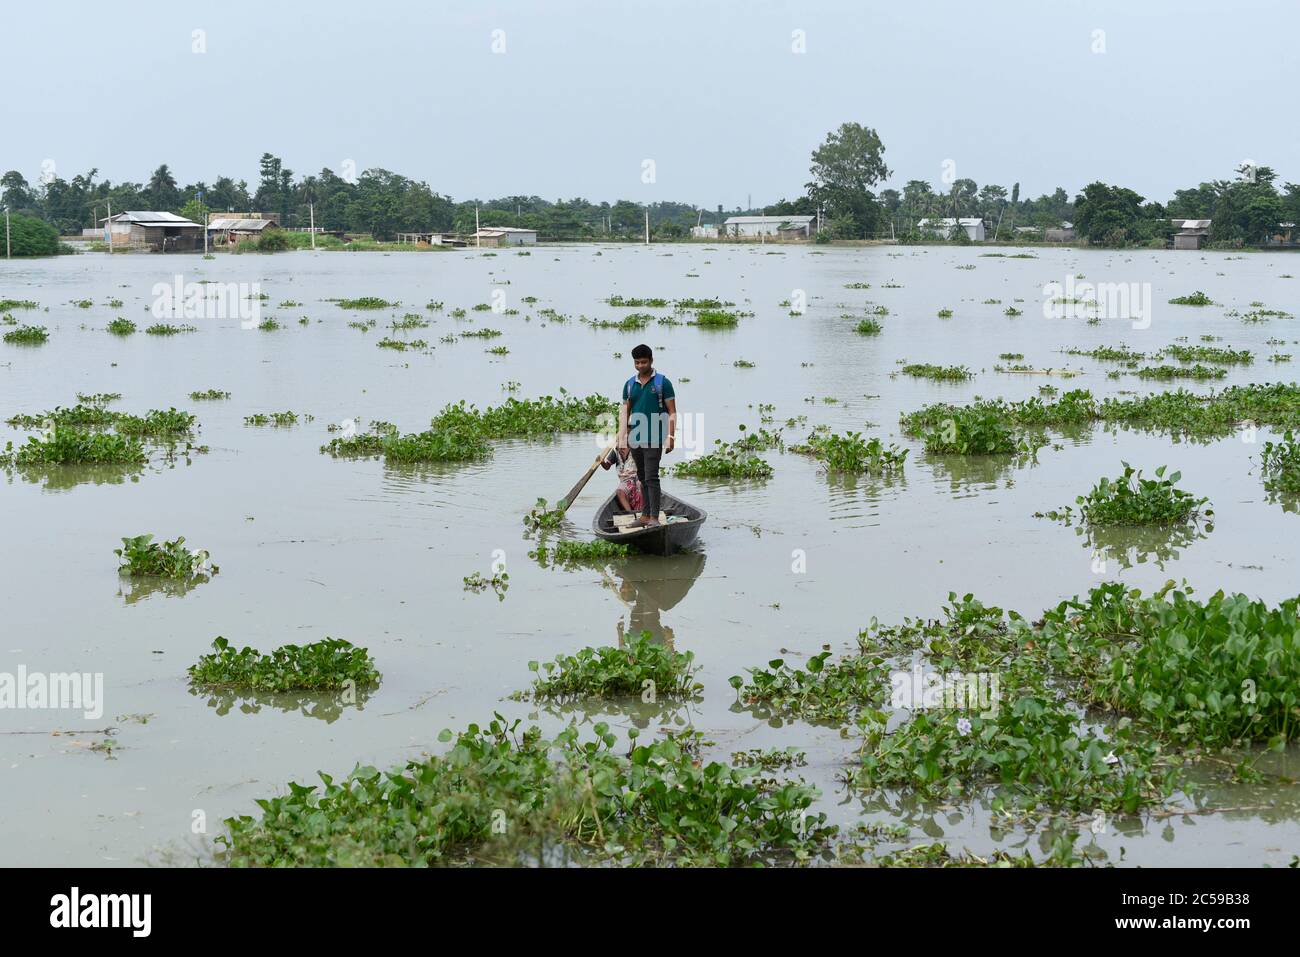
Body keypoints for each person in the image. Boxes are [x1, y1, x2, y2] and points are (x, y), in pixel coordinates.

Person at [617, 343, 676, 527]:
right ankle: (644, 515)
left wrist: (671, 437)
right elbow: (625, 412)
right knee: (642, 477)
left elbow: (672, 411)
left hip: (655, 436)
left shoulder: (662, 383)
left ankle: (654, 518)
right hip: (636, 436)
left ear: (651, 361)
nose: (641, 366)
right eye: (637, 363)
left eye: (644, 362)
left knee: (651, 477)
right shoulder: (629, 385)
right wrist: (622, 437)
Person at [600, 447, 643, 514]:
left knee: (642, 485)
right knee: (620, 491)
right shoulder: (615, 451)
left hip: (638, 477)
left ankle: (643, 511)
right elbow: (607, 467)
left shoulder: (635, 448)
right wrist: (602, 462)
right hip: (625, 480)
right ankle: (630, 513)